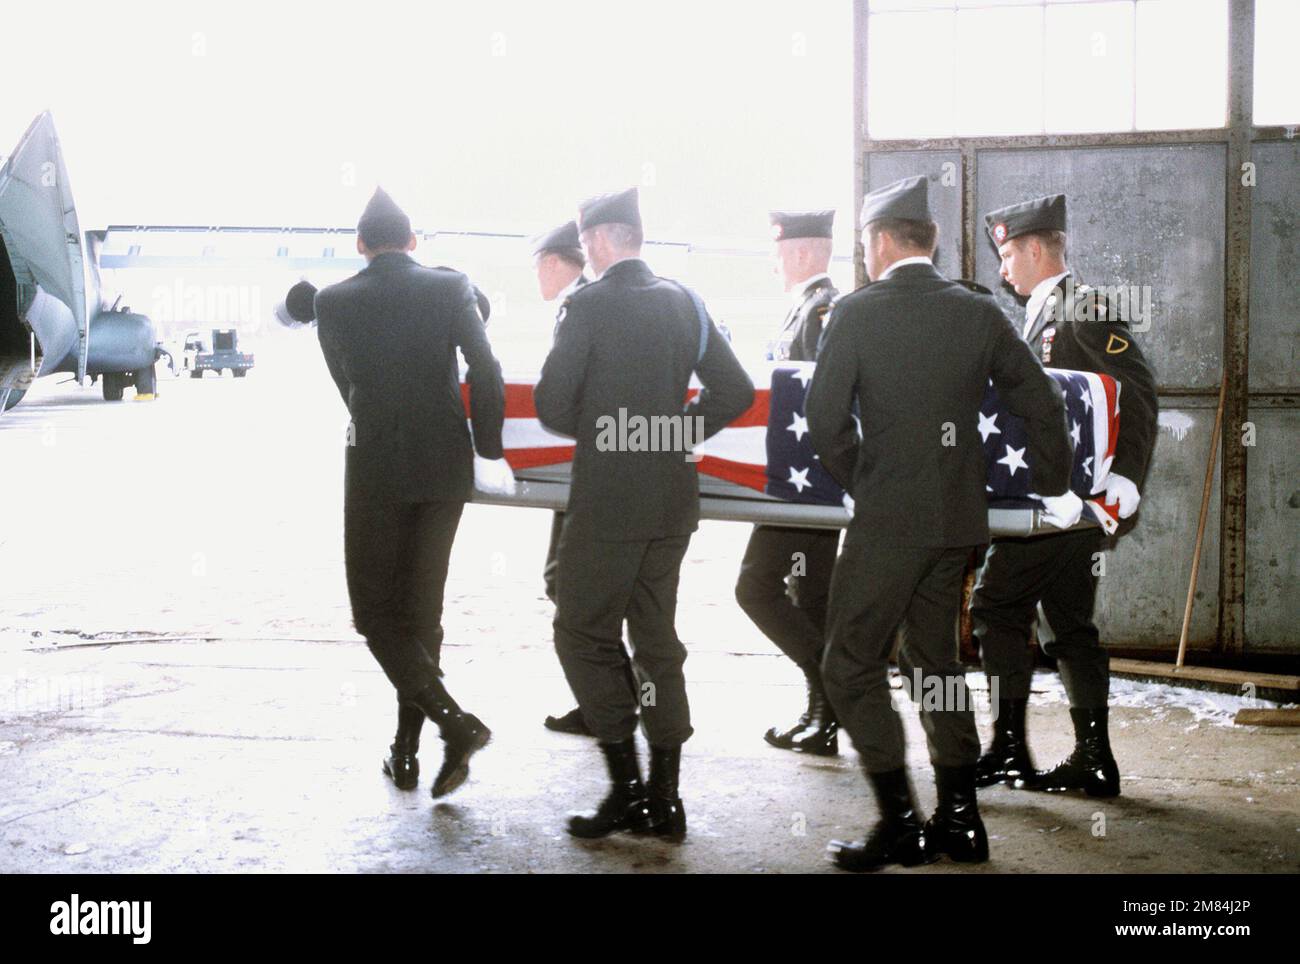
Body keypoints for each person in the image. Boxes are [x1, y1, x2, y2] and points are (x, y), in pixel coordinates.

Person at [805, 175, 1077, 872]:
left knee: (848, 663)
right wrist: (1056, 486)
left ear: (881, 240)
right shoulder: (977, 312)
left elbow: (825, 423)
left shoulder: (857, 314)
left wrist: (866, 481)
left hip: (889, 524)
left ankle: (899, 819)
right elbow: (1041, 401)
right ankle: (959, 821)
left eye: (865, 243)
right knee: (936, 666)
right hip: (958, 523)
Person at [534, 187, 754, 840]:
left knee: (581, 634)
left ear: (600, 240)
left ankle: (626, 789)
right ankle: (667, 799)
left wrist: (609, 432)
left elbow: (550, 405)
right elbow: (735, 390)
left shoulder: (588, 304)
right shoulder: (686, 301)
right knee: (657, 645)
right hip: (670, 502)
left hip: (608, 504)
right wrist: (669, 431)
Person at [314, 187, 508, 799]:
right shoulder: (451, 287)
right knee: (423, 615)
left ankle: (451, 727)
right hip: (445, 466)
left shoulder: (333, 300)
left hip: (375, 465)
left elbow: (345, 384)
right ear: (414, 242)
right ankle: (406, 750)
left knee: (376, 614)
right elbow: (488, 368)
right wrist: (490, 449)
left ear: (361, 246)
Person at [972, 194, 1157, 797]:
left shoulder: (1084, 309)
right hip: (1063, 511)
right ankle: (1093, 759)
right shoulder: (1033, 315)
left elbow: (1137, 391)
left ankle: (1007, 749)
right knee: (1070, 625)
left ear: (1031, 248)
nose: (1003, 269)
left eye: (1006, 254)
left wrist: (1124, 480)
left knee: (995, 608)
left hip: (1067, 508)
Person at [734, 209, 842, 755]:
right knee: (811, 597)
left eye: (778, 253)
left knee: (754, 587)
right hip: (808, 482)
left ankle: (836, 692)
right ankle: (822, 717)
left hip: (805, 483)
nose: (772, 265)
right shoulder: (805, 308)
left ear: (802, 252)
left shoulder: (823, 310)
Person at [530, 220, 601, 737]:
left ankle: (607, 700)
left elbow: (563, 395)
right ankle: (609, 697)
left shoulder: (581, 306)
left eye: (538, 267)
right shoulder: (581, 303)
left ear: (553, 262)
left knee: (568, 581)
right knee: (571, 581)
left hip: (586, 469)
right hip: (588, 465)